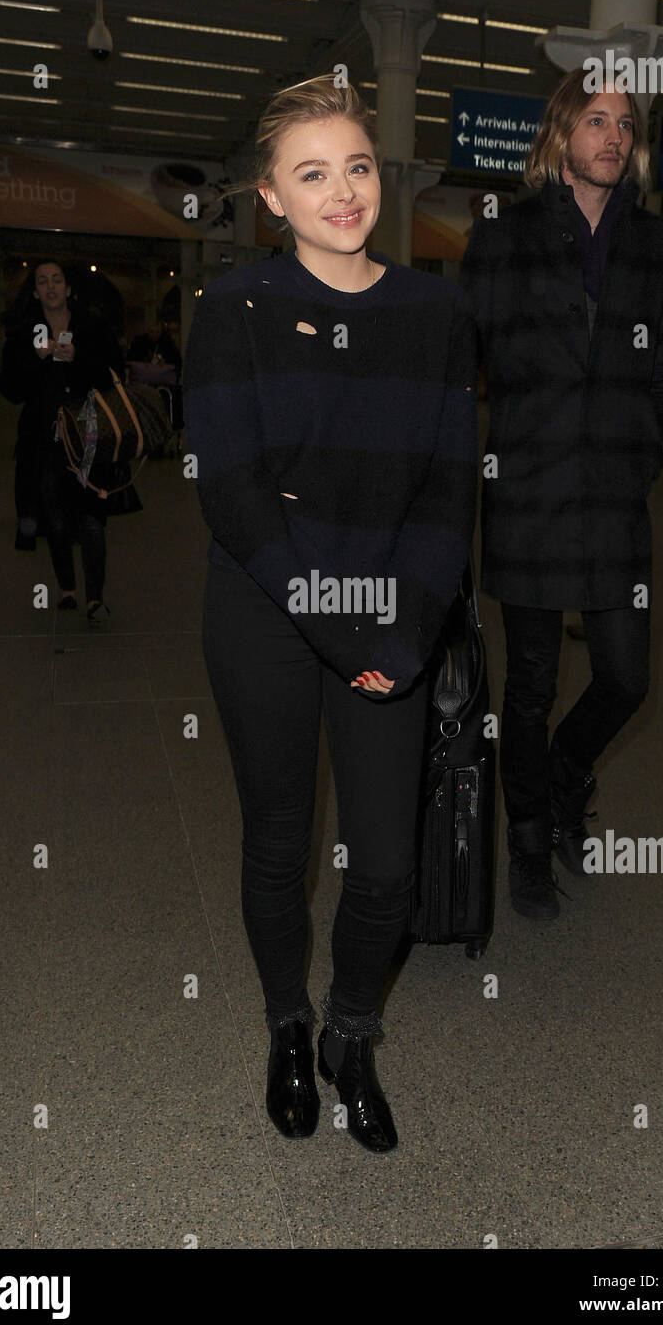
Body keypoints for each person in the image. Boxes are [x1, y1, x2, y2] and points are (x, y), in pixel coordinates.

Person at [183, 75, 479, 1152]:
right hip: (266, 605)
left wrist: (399, 637)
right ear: (271, 197)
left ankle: (350, 1034)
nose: (342, 190)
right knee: (276, 842)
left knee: (387, 869)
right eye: (311, 173)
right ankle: (285, 1021)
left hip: (391, 616)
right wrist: (341, 629)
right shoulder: (234, 310)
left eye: (356, 165)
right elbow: (233, 492)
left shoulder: (435, 313)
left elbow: (451, 490)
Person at [460, 68, 663, 920]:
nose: (613, 138)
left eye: (625, 127)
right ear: (561, 134)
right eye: (596, 121)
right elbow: (460, 366)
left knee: (625, 677)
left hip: (612, 499)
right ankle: (526, 842)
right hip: (525, 493)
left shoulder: (658, 250)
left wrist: (638, 461)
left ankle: (561, 781)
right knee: (526, 685)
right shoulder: (503, 238)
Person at [0, 259, 126, 623]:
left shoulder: (92, 326)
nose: (51, 286)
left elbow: (113, 375)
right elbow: (9, 388)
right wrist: (36, 359)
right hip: (44, 440)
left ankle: (95, 598)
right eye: (43, 281)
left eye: (57, 280)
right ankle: (68, 588)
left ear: (69, 289)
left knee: (90, 518)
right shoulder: (24, 333)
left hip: (89, 436)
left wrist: (79, 358)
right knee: (54, 517)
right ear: (36, 290)